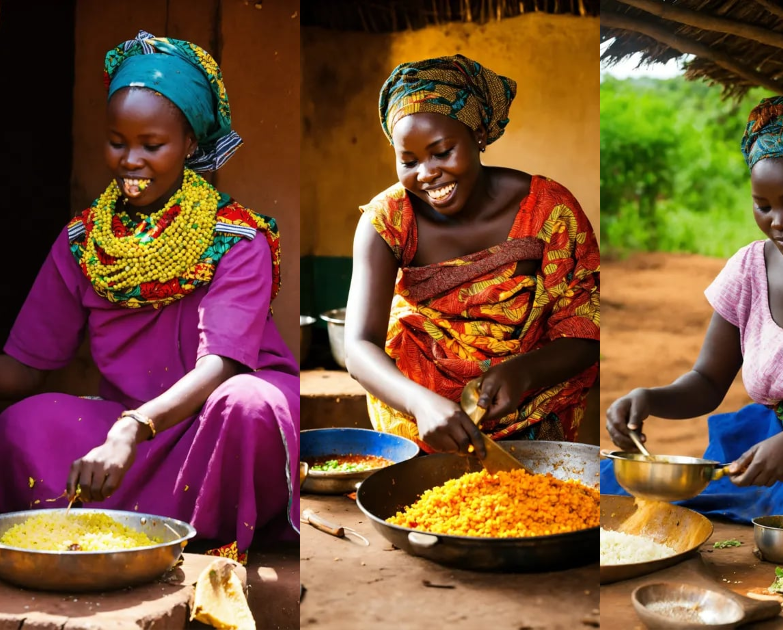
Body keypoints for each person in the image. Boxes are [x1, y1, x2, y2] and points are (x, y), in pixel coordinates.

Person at [0, 31, 299, 562]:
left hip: (214, 420)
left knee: (250, 405)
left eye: (152, 145)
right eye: (117, 141)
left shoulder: (238, 238)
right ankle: (123, 525)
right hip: (127, 422)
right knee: (25, 422)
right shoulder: (84, 242)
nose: (130, 160)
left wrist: (130, 430)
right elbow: (23, 367)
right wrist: (123, 425)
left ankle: (211, 541)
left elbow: (224, 365)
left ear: (189, 143)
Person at [603, 96, 783, 522]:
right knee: (615, 480)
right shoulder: (748, 268)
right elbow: (706, 380)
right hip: (770, 440)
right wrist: (648, 399)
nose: (777, 220)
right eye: (763, 205)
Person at [344, 55, 600, 454]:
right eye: (408, 161)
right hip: (418, 413)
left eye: (441, 152)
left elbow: (586, 330)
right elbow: (359, 346)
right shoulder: (388, 221)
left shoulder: (550, 210)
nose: (426, 173)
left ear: (478, 135)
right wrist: (419, 403)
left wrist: (520, 372)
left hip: (528, 405)